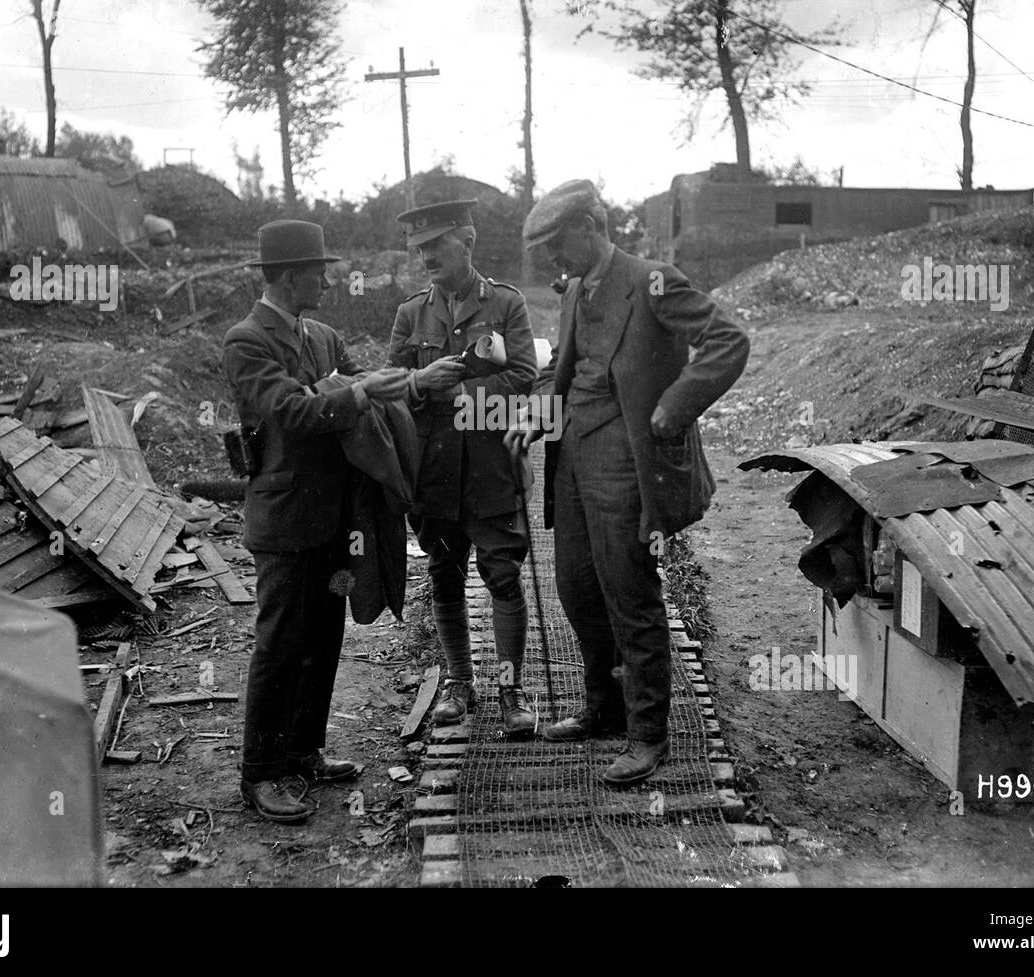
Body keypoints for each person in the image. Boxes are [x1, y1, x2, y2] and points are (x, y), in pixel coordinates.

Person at [505, 180, 750, 786]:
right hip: (574, 461)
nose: (553, 264)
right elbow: (561, 369)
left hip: (626, 467)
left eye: (559, 248)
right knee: (577, 589)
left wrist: (675, 405)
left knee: (629, 596)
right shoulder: (574, 292)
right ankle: (604, 705)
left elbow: (729, 340)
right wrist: (539, 411)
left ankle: (646, 734)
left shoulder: (652, 281)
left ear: (590, 227)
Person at [224, 219, 411, 823]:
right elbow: (288, 411)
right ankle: (260, 773)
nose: (328, 280)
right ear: (287, 276)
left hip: (335, 519)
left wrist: (368, 387)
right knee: (281, 643)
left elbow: (353, 380)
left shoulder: (323, 336)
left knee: (324, 636)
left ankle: (303, 751)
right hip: (284, 521)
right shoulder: (247, 340)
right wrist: (353, 395)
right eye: (318, 270)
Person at [387, 199, 540, 736]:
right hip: (433, 470)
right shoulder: (411, 313)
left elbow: (524, 373)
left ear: (467, 242)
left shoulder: (504, 303)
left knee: (502, 575)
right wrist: (417, 385)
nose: (426, 256)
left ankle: (511, 690)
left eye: (436, 245)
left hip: (491, 464)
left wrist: (460, 393)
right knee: (444, 575)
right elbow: (392, 389)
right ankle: (458, 682)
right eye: (420, 248)